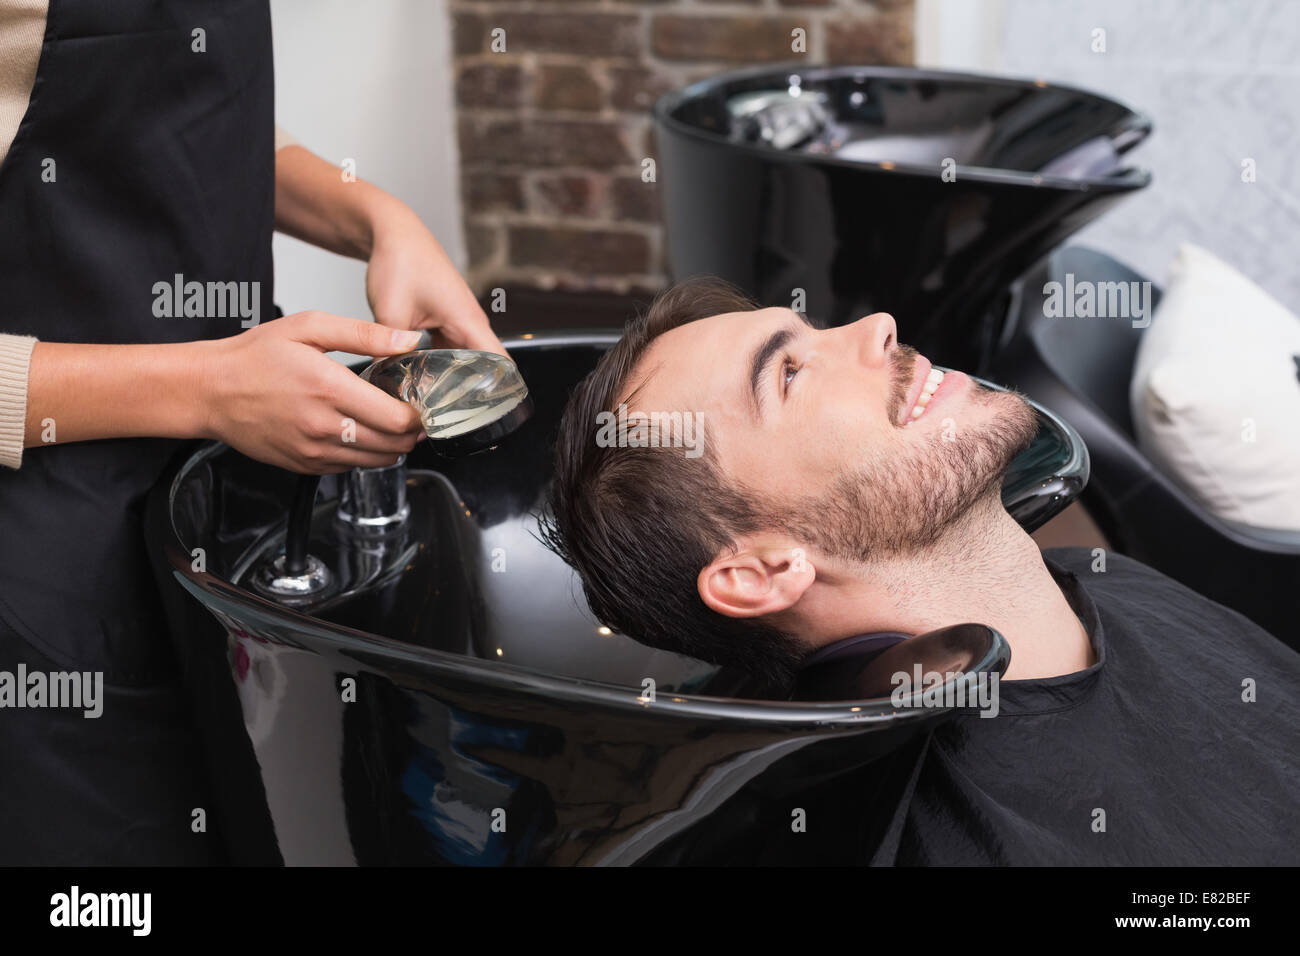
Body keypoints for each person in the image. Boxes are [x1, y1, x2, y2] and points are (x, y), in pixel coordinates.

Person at [541, 276, 1300, 865]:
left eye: (812, 331)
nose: (877, 327)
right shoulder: (955, 837)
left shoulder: (1109, 581)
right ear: (764, 570)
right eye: (790, 375)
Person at [0, 0, 501, 863]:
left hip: (231, 496)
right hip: (47, 580)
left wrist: (378, 219)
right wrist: (204, 386)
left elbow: (185, 131)